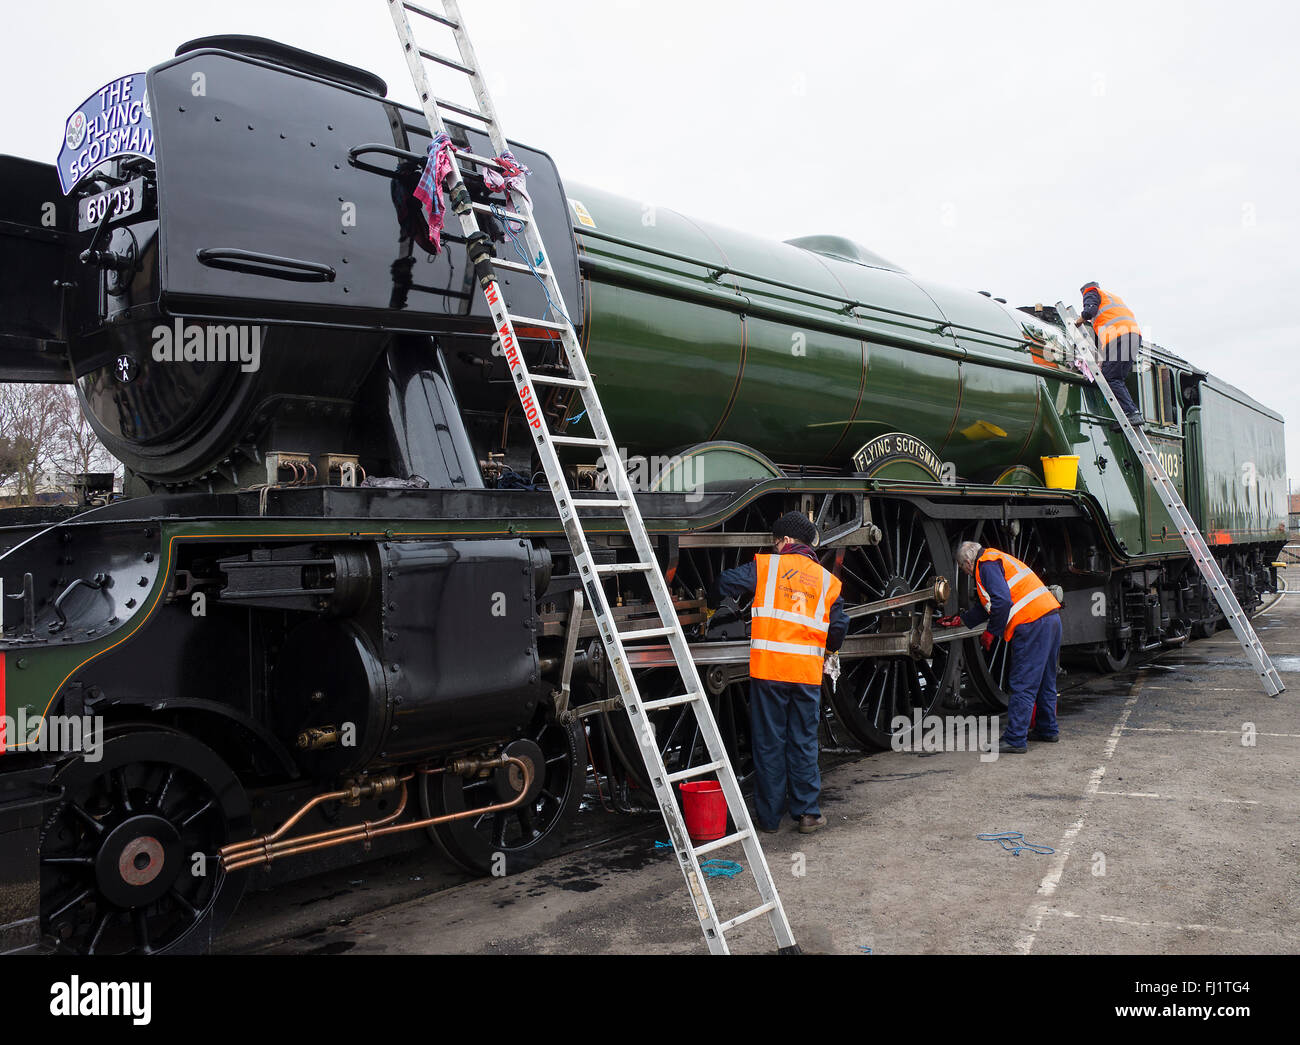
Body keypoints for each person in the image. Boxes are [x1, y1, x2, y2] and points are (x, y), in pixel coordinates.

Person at [711, 512, 849, 833]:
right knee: (803, 740)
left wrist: (719, 610)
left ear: (785, 541)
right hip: (806, 675)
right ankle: (808, 813)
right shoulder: (827, 580)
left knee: (769, 743)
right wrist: (828, 647)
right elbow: (839, 625)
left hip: (769, 672)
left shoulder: (766, 567)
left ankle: (770, 820)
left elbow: (725, 582)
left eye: (775, 543)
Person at [943, 541, 1062, 753]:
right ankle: (1047, 728)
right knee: (1045, 679)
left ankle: (1015, 739)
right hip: (1050, 618)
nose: (967, 573)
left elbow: (1002, 602)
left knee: (1022, 683)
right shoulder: (996, 558)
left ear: (968, 562)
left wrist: (992, 632)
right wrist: (962, 619)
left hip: (1031, 622)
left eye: (964, 569)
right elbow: (987, 606)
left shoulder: (985, 566)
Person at [1076, 281, 1144, 427]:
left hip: (1119, 337)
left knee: (1111, 377)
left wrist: (1077, 322)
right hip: (1132, 336)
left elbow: (1089, 311)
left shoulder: (1091, 292)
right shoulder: (1111, 297)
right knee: (1116, 377)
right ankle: (1130, 414)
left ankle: (1132, 413)